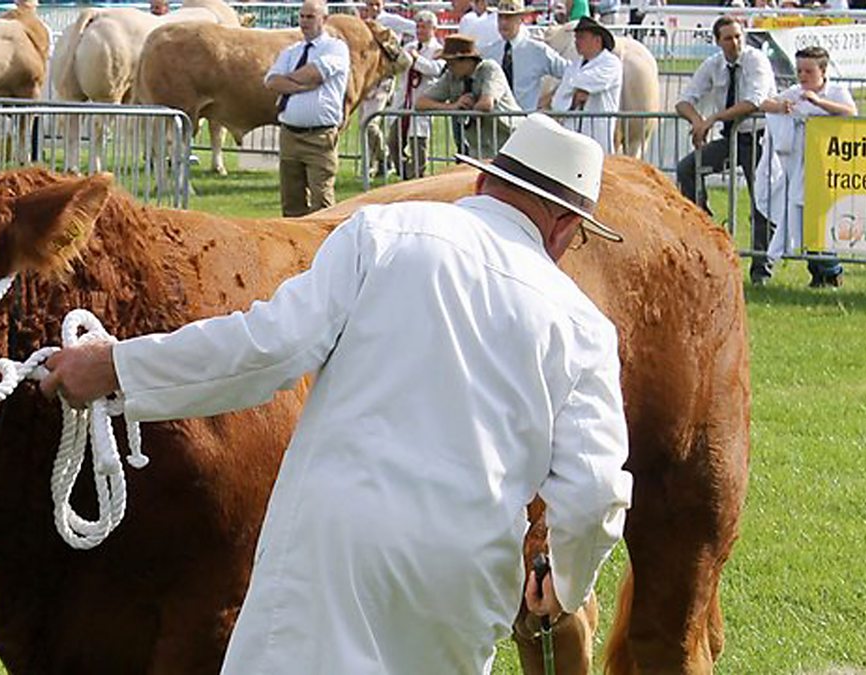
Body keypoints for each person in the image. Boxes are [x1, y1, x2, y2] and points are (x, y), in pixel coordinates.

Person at [40, 112, 632, 675]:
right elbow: (597, 489)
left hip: (334, 538)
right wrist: (567, 578)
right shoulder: (584, 327)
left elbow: (267, 348)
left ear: (482, 180)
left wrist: (115, 366)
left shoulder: (384, 231)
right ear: (565, 226)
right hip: (466, 565)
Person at [674, 15, 777, 285]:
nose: (735, 42)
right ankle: (704, 229)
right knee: (688, 168)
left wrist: (713, 118)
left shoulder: (756, 60)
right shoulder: (713, 64)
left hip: (759, 139)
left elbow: (753, 101)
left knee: (762, 202)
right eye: (728, 38)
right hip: (731, 139)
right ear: (717, 41)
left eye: (738, 36)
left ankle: (761, 271)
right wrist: (697, 121)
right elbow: (683, 101)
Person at [756, 46, 855, 288]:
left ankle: (832, 271)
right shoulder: (794, 92)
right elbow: (765, 104)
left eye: (808, 71)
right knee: (802, 219)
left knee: (823, 220)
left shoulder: (837, 91)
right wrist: (780, 107)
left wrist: (820, 103)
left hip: (830, 169)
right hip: (800, 169)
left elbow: (851, 113)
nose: (802, 76)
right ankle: (817, 273)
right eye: (799, 70)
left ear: (823, 71)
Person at [264, 0, 350, 216]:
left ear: (324, 19)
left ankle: (326, 248)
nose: (304, 22)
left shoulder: (336, 47)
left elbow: (315, 72)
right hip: (290, 135)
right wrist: (303, 85)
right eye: (302, 16)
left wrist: (288, 81)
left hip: (319, 137)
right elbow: (271, 81)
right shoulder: (292, 51)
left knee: (322, 202)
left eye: (310, 17)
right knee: (291, 203)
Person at [416, 34, 522, 159]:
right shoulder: (451, 76)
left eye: (452, 63)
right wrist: (453, 106)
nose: (449, 67)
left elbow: (486, 104)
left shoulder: (489, 69)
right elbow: (420, 103)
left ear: (467, 60)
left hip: (511, 143)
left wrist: (470, 106)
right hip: (480, 149)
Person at [360, 0, 415, 179]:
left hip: (385, 78)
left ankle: (384, 160)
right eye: (370, 4)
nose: (374, 8)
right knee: (367, 122)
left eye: (377, 4)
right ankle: (374, 162)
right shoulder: (362, 22)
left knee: (369, 123)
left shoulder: (391, 20)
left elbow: (416, 28)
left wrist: (402, 49)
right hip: (367, 77)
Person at [386, 9, 443, 179]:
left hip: (422, 103)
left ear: (434, 29)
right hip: (404, 102)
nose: (420, 32)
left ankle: (417, 175)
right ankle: (404, 174)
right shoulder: (409, 47)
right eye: (418, 27)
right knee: (393, 142)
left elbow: (435, 70)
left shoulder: (439, 49)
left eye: (424, 28)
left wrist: (416, 59)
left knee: (418, 144)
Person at [482, 0, 569, 112]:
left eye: (508, 18)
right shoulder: (490, 52)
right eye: (500, 17)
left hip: (526, 119)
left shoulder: (538, 50)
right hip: (497, 123)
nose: (503, 22)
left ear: (521, 19)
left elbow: (569, 72)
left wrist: (551, 98)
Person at [552, 16, 622, 153]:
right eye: (576, 38)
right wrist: (573, 99)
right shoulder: (574, 65)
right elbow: (557, 102)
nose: (577, 42)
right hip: (573, 136)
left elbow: (589, 81)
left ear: (597, 40)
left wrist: (571, 86)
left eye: (581, 37)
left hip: (598, 135)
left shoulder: (611, 63)